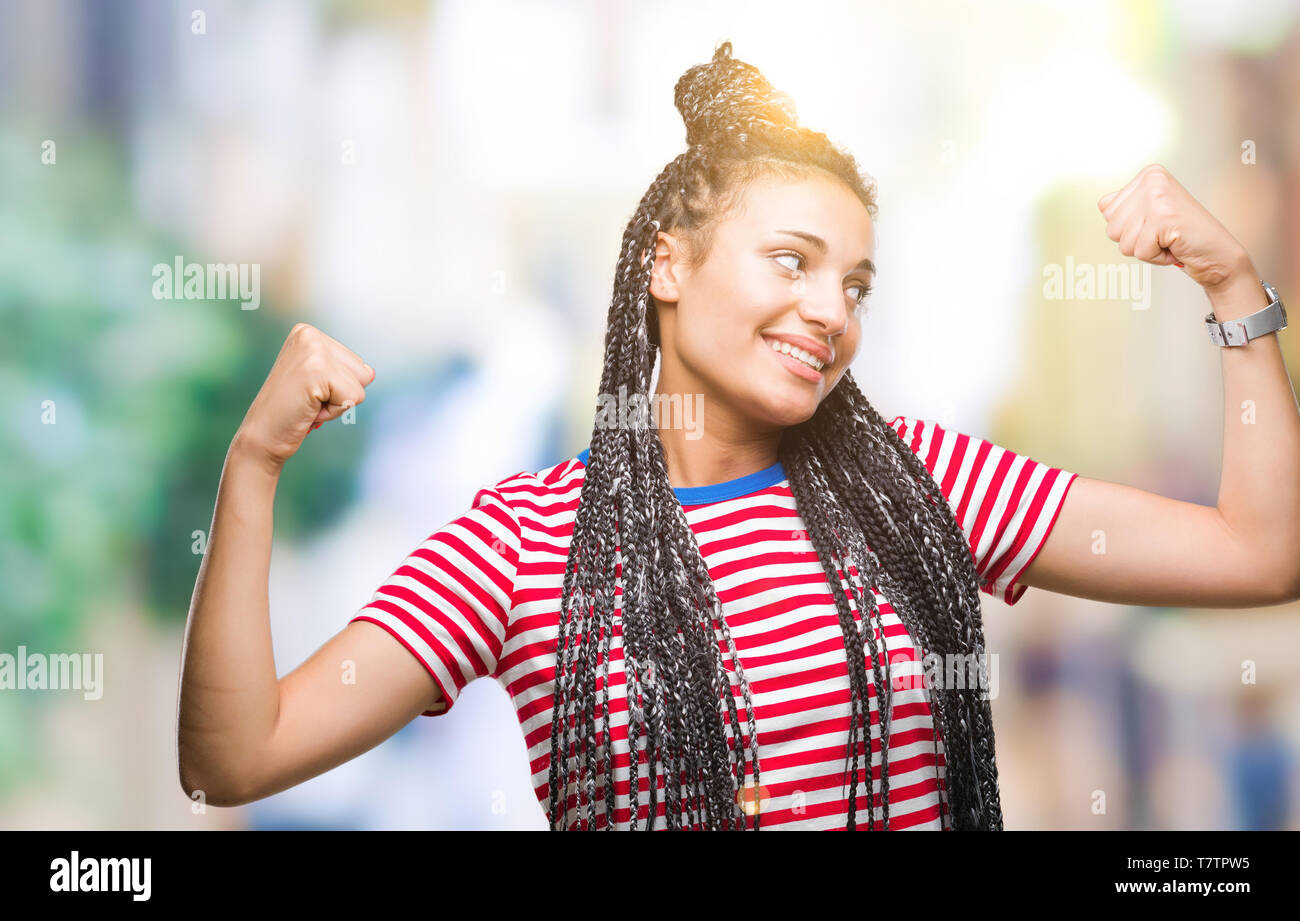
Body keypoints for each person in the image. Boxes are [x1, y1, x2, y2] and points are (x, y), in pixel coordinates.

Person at [177, 41, 1300, 831]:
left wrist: (1231, 286)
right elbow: (233, 760)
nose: (832, 310)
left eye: (856, 283)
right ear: (667, 263)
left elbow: (1259, 554)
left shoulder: (917, 482)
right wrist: (253, 466)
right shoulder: (519, 546)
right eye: (791, 260)